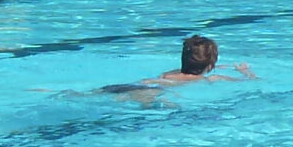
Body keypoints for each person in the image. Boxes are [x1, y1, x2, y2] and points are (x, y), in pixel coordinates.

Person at [109, 33, 255, 104]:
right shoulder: (211, 79)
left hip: (142, 85)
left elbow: (189, 68)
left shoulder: (168, 74)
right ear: (211, 66)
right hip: (162, 92)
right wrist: (246, 71)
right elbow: (250, 81)